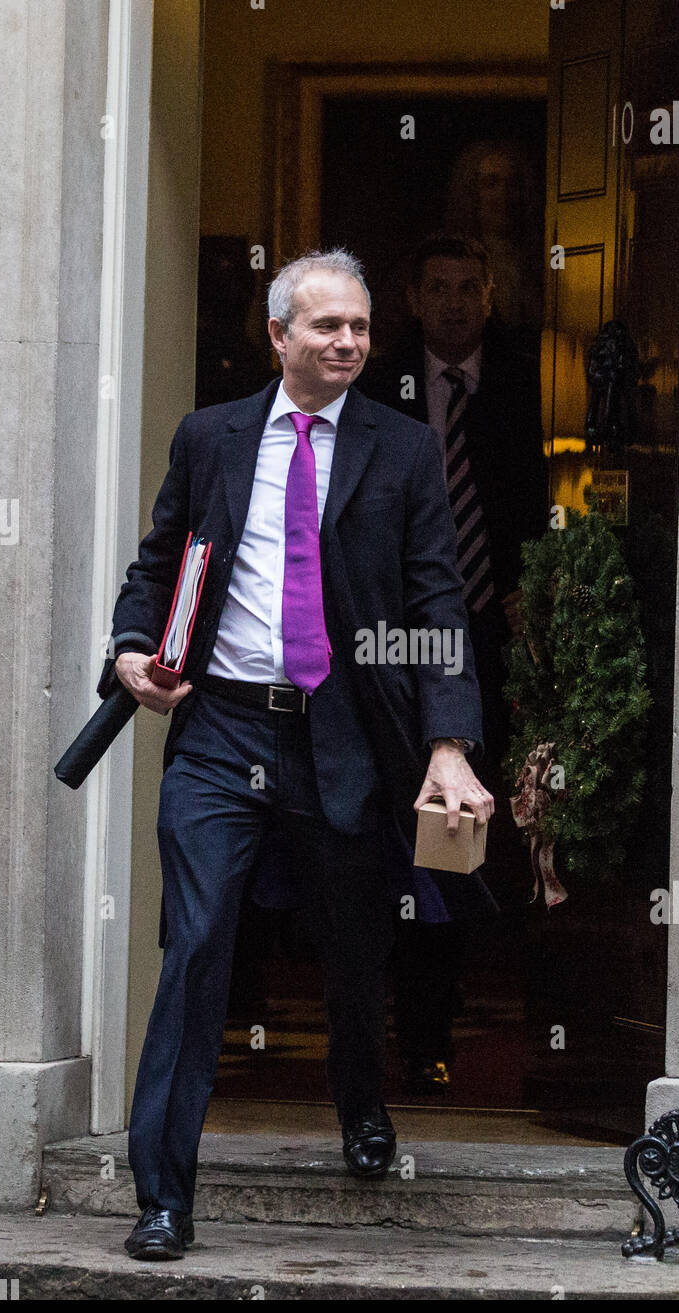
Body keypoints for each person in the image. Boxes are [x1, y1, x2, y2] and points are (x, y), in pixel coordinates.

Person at [96, 249, 495, 1260]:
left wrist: (447, 744)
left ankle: (362, 1102)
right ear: (278, 336)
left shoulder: (400, 451)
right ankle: (164, 1196)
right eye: (327, 326)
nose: (349, 341)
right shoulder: (212, 438)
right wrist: (130, 650)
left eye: (358, 326)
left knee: (356, 946)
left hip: (345, 731)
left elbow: (435, 602)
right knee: (195, 945)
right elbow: (158, 566)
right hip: (223, 730)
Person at [359, 233, 548, 1093]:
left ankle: (537, 1023)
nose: (453, 304)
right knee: (420, 835)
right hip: (402, 645)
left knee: (498, 827)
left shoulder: (525, 374)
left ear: (491, 295)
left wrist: (528, 589)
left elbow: (535, 500)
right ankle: (421, 1030)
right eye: (437, 288)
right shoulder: (377, 379)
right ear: (411, 297)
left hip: (500, 640)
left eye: (469, 287)